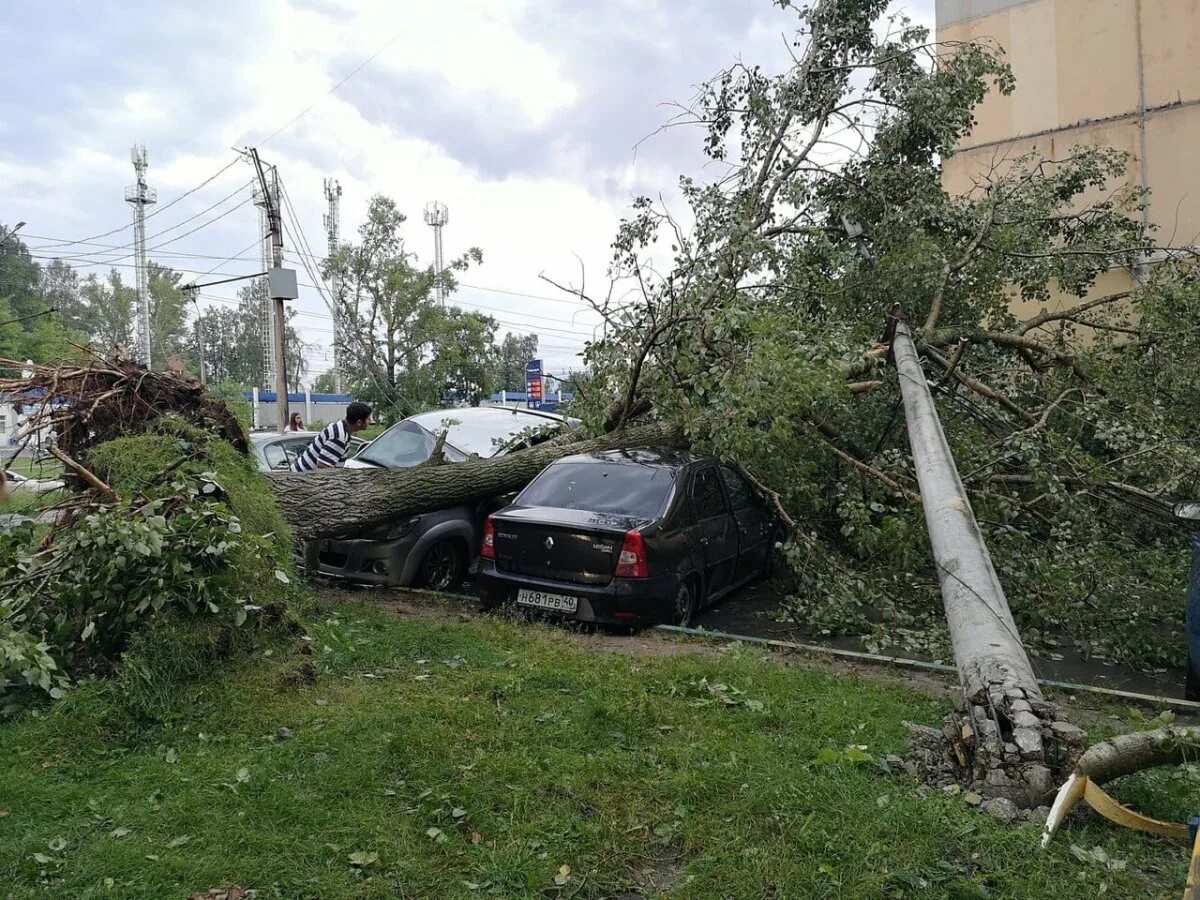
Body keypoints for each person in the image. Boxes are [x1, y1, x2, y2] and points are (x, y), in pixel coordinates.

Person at [290, 402, 372, 472]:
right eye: (368, 419)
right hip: (301, 479)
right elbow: (323, 465)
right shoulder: (339, 437)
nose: (370, 421)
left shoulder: (341, 428)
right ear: (359, 422)